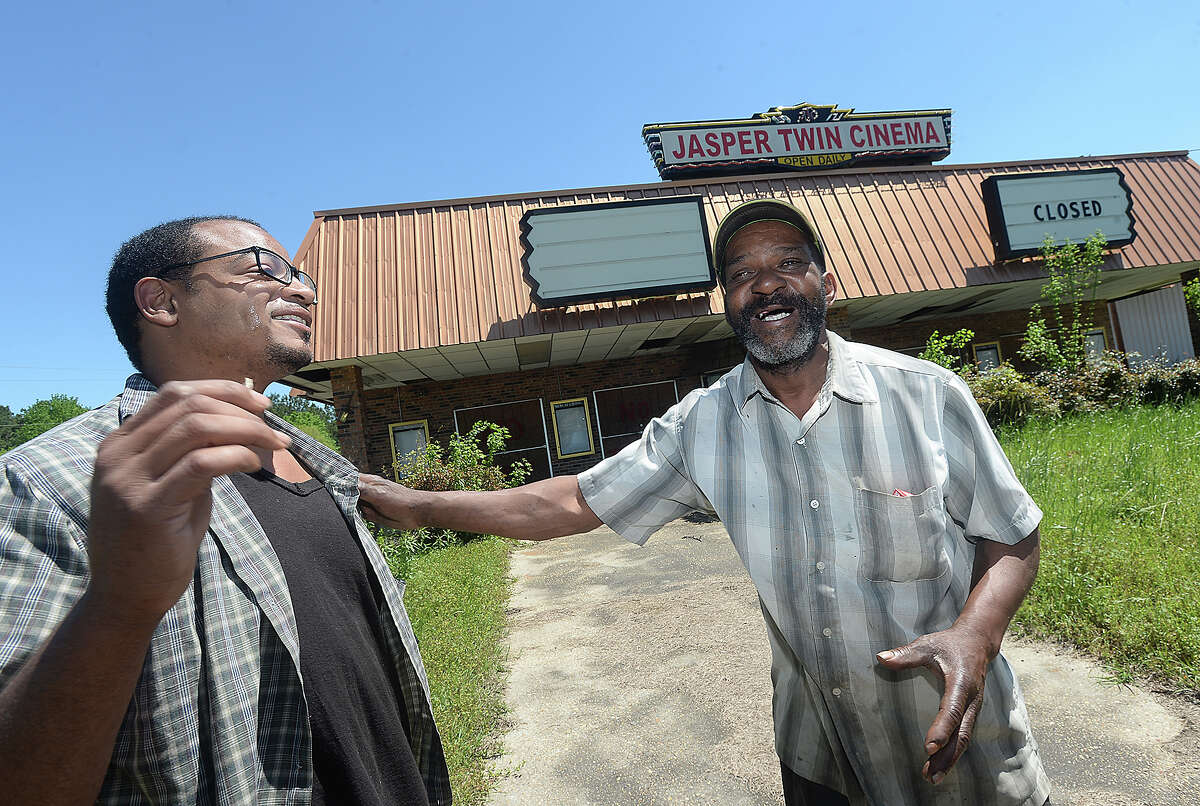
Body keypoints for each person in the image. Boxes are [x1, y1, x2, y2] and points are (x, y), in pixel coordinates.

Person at [359, 199, 1051, 805]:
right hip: (823, 762)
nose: (765, 284)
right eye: (742, 275)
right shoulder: (703, 425)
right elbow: (572, 500)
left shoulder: (928, 395)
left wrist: (976, 634)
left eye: (787, 263)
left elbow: (1013, 535)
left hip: (963, 757)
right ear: (728, 304)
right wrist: (421, 507)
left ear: (826, 284)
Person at [0, 216, 450, 805]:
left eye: (303, 276)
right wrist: (122, 602)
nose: (305, 291)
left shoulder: (313, 460)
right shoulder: (47, 481)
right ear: (161, 302)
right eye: (264, 269)